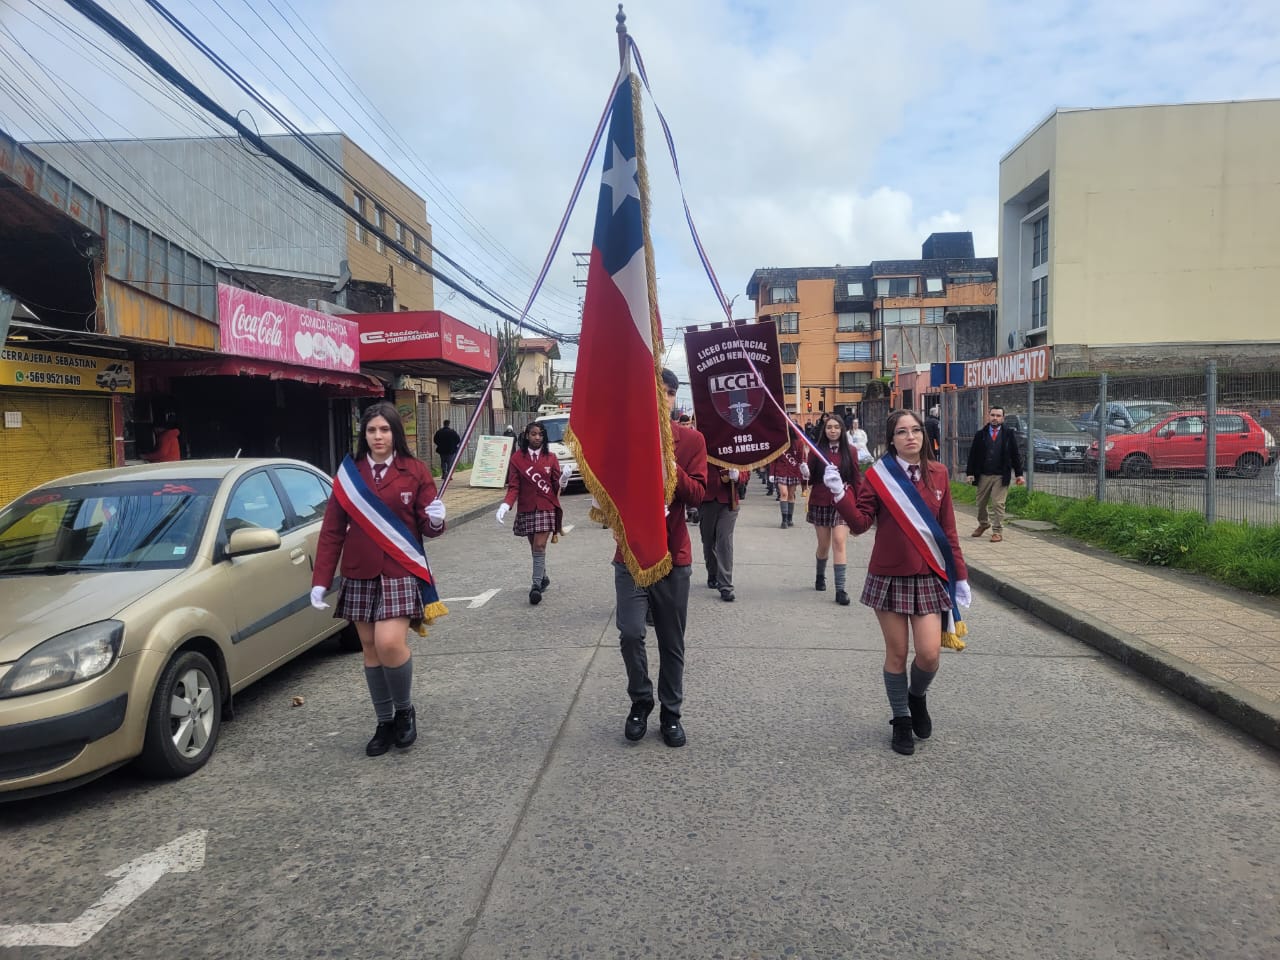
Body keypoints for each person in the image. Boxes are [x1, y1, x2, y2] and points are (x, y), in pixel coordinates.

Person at [826, 408, 970, 756]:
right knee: (898, 653)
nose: (911, 437)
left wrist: (961, 576)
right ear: (891, 440)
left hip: (928, 574)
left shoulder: (939, 473)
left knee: (929, 654)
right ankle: (901, 719)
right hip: (889, 575)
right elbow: (860, 524)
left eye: (916, 430)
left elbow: (948, 531)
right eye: (902, 432)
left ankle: (916, 697)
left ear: (924, 435)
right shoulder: (878, 476)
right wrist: (840, 496)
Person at [311, 401, 448, 757]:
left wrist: (436, 519)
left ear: (395, 433)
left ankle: (404, 711)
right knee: (370, 649)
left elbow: (428, 526)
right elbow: (332, 530)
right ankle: (383, 721)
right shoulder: (350, 475)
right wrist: (321, 580)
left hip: (400, 570)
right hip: (360, 573)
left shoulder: (414, 471)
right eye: (371, 430)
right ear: (364, 435)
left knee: (389, 643)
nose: (378, 436)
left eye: (384, 429)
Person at [616, 368, 707, 749]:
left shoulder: (691, 440)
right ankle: (641, 700)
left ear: (674, 399)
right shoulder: (626, 439)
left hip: (673, 555)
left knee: (671, 641)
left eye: (670, 392)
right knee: (630, 632)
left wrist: (673, 469)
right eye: (657, 390)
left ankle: (671, 712)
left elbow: (698, 494)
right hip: (631, 554)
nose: (663, 398)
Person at [497, 421, 570, 605]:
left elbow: (555, 486)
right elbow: (514, 487)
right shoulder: (517, 459)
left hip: (546, 506)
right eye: (534, 434)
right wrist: (506, 505)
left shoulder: (551, 457)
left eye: (540, 434)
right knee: (534, 547)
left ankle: (536, 586)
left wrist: (563, 479)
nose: (537, 437)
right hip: (527, 508)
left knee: (539, 546)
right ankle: (543, 577)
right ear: (527, 436)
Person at [801, 413, 858, 605]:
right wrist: (805, 473)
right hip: (821, 501)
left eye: (836, 427)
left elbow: (856, 478)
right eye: (829, 427)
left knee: (839, 541)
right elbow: (808, 479)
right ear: (824, 430)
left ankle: (840, 589)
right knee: (823, 545)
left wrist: (859, 504)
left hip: (843, 501)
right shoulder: (817, 451)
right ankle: (820, 575)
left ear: (842, 430)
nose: (833, 431)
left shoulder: (851, 451)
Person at [965, 405, 1025, 542]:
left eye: (998, 416)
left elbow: (1015, 455)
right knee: (980, 503)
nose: (995, 418)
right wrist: (970, 473)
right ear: (988, 416)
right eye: (992, 415)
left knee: (998, 504)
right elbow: (973, 455)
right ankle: (984, 523)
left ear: (1003, 418)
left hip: (1001, 475)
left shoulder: (1008, 434)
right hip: (983, 474)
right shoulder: (981, 434)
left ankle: (997, 531)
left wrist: (1019, 474)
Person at [699, 456, 742, 602]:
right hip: (707, 498)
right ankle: (713, 572)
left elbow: (746, 466)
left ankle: (725, 586)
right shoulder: (703, 444)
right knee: (708, 541)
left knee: (724, 541)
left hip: (729, 500)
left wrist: (738, 476)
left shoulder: (734, 445)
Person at [771, 422, 806, 528]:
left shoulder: (799, 443)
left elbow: (801, 458)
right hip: (781, 471)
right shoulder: (779, 443)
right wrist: (772, 473)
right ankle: (784, 520)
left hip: (793, 472)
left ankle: (790, 518)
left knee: (791, 495)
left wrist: (804, 469)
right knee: (784, 494)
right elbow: (773, 459)